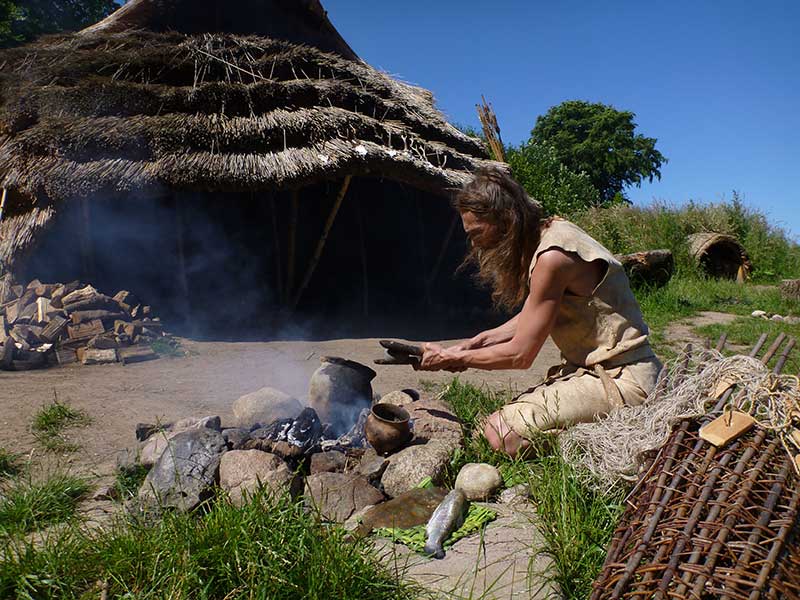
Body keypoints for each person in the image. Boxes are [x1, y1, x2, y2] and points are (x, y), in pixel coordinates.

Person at [416, 168, 662, 457]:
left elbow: (521, 355)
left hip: (627, 380)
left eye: (476, 233)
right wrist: (479, 341)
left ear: (505, 219)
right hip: (603, 372)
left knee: (501, 434)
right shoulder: (551, 235)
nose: (473, 243)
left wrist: (454, 358)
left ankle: (610, 443)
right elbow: (538, 310)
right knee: (497, 423)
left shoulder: (552, 257)